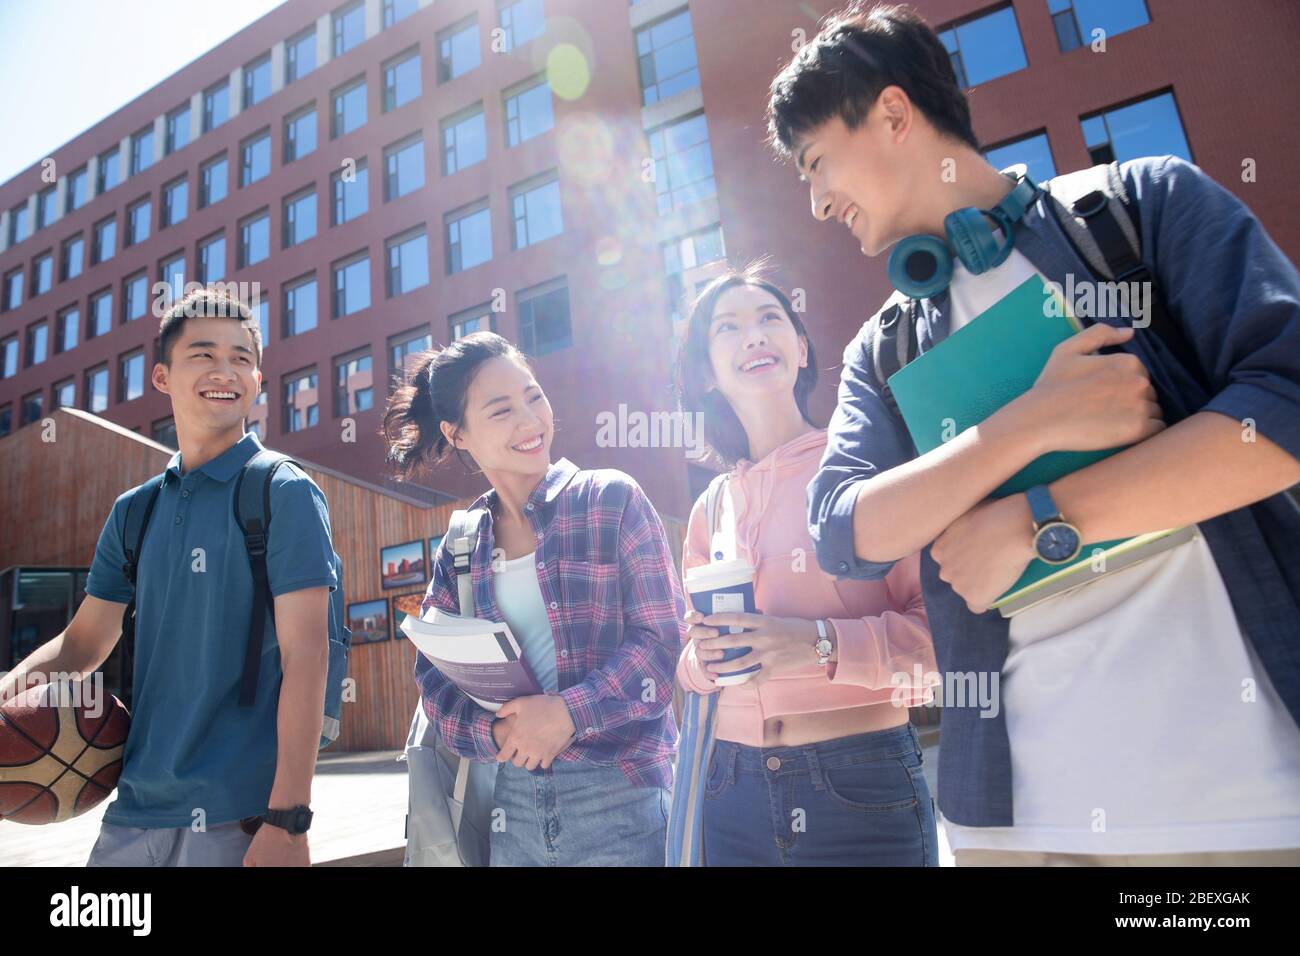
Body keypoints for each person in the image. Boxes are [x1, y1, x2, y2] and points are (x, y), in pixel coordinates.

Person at [768, 2, 1300, 864]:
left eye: (819, 162)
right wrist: (1026, 427)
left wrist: (1033, 521)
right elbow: (842, 530)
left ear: (895, 114)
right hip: (1007, 829)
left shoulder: (1141, 207)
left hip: (1242, 805)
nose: (819, 201)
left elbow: (1284, 405)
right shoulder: (883, 348)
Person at [0, 288, 339, 866]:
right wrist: (8, 693)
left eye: (240, 357)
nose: (224, 370)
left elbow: (306, 656)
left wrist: (289, 819)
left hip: (240, 814)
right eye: (203, 354)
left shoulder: (282, 491)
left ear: (257, 379)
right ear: (161, 377)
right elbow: (83, 643)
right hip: (132, 807)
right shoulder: (136, 511)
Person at [383, 331, 684, 866]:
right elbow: (433, 678)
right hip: (512, 806)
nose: (530, 421)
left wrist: (569, 713)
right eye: (501, 410)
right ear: (457, 433)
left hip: (623, 797)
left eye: (534, 396)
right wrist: (494, 732)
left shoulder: (610, 498)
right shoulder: (462, 542)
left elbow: (662, 646)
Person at [673, 263, 938, 866]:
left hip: (858, 782)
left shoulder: (866, 468)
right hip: (727, 790)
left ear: (800, 348)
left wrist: (816, 644)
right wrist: (702, 661)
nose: (755, 336)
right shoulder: (708, 508)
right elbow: (690, 662)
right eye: (728, 327)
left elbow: (943, 648)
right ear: (706, 374)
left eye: (771, 318)